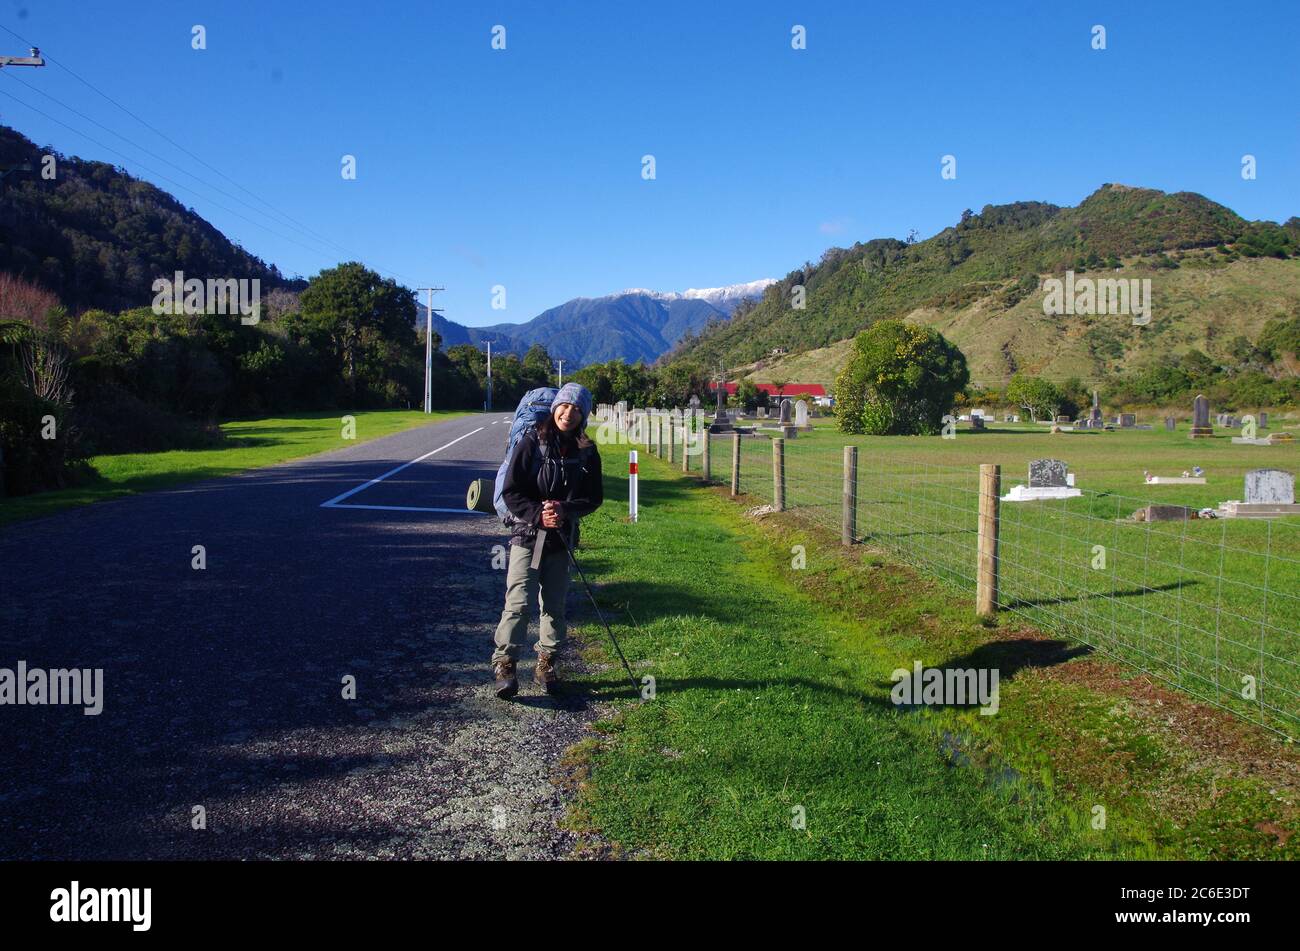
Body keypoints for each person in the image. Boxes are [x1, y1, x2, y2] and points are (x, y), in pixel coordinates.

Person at [491, 383, 603, 698]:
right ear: (555, 408)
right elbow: (511, 492)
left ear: (583, 415)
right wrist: (539, 514)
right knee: (518, 604)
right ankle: (506, 666)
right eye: (565, 406)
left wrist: (564, 509)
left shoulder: (587, 451)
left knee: (554, 606)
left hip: (560, 540)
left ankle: (546, 665)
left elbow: (593, 498)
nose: (569, 413)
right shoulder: (530, 443)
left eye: (577, 409)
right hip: (528, 537)